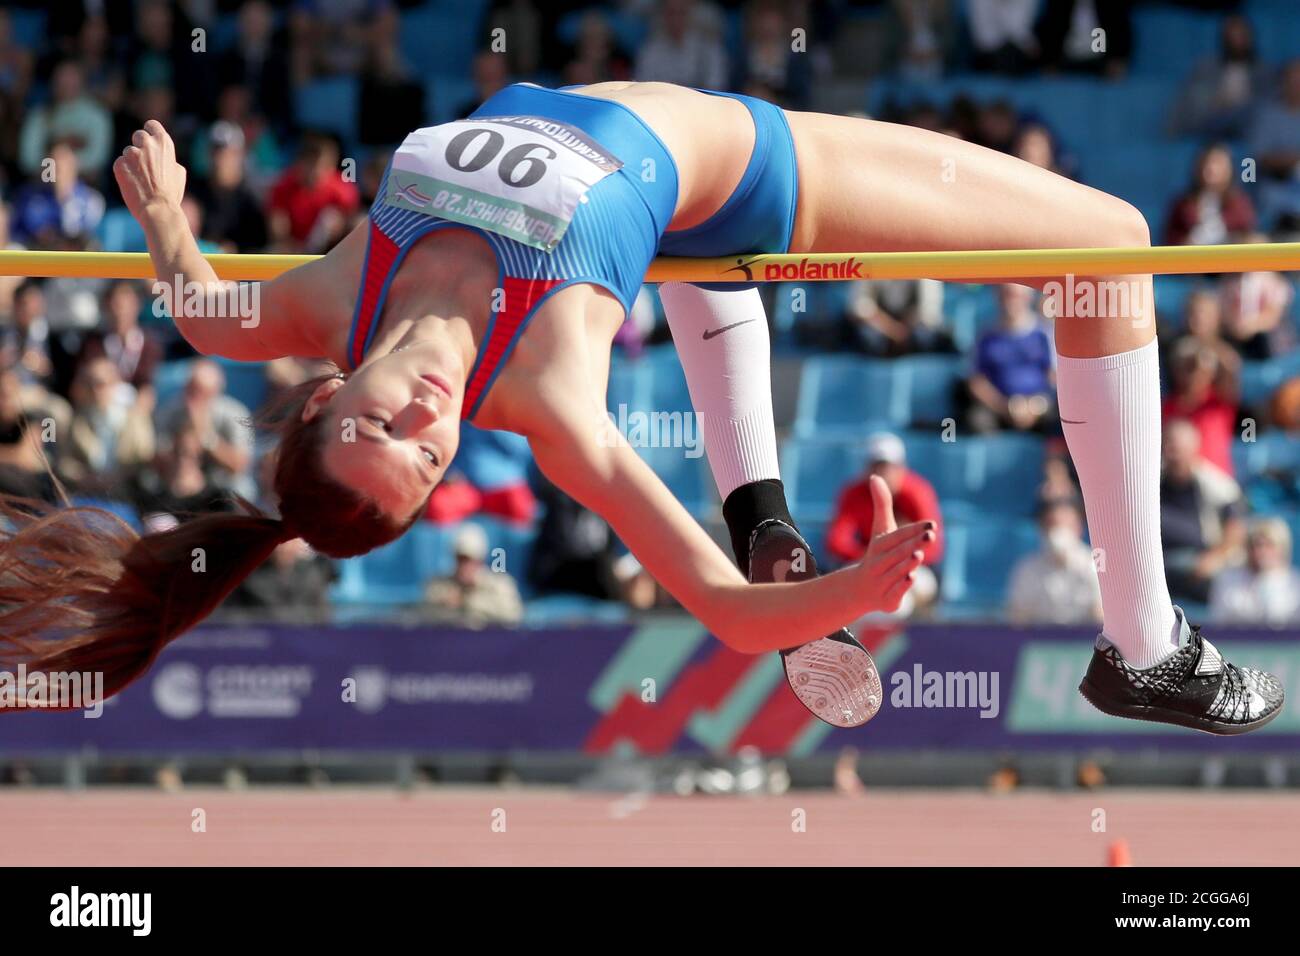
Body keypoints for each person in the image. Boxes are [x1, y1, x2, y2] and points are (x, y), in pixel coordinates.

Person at [3, 80, 1281, 734]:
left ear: (331, 392)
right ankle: (1145, 641)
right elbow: (722, 614)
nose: (431, 417)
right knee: (1109, 242)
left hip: (682, 226)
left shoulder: (330, 298)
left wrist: (164, 209)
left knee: (672, 261)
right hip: (775, 172)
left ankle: (761, 503)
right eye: (431, 457)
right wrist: (859, 587)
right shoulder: (549, 394)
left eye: (381, 423)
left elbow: (195, 309)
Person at [826, 432, 942, 615]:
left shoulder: (918, 492)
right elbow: (837, 541)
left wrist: (897, 558)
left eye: (887, 467)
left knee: (910, 594)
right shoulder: (854, 493)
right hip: (867, 562)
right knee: (849, 588)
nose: (881, 473)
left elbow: (933, 548)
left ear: (901, 468)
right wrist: (874, 556)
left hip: (912, 566)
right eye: (875, 466)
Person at [1006, 498, 1102, 626]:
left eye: (1065, 524)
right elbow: (1017, 620)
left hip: (1086, 643)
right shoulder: (1026, 569)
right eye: (1052, 524)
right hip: (1039, 643)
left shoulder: (1096, 563)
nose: (1058, 531)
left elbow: (1102, 617)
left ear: (1078, 526)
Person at [423, 524, 523, 626]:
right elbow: (423, 617)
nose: (464, 565)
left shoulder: (500, 585)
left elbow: (513, 615)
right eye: (460, 559)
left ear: (480, 560)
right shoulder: (438, 586)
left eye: (469, 559)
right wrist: (443, 605)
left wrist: (467, 601)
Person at [1208, 518, 1300, 626]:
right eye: (1256, 545)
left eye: (1269, 545)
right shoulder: (1227, 579)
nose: (1261, 551)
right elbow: (1220, 623)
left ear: (1282, 548)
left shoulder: (1295, 583)